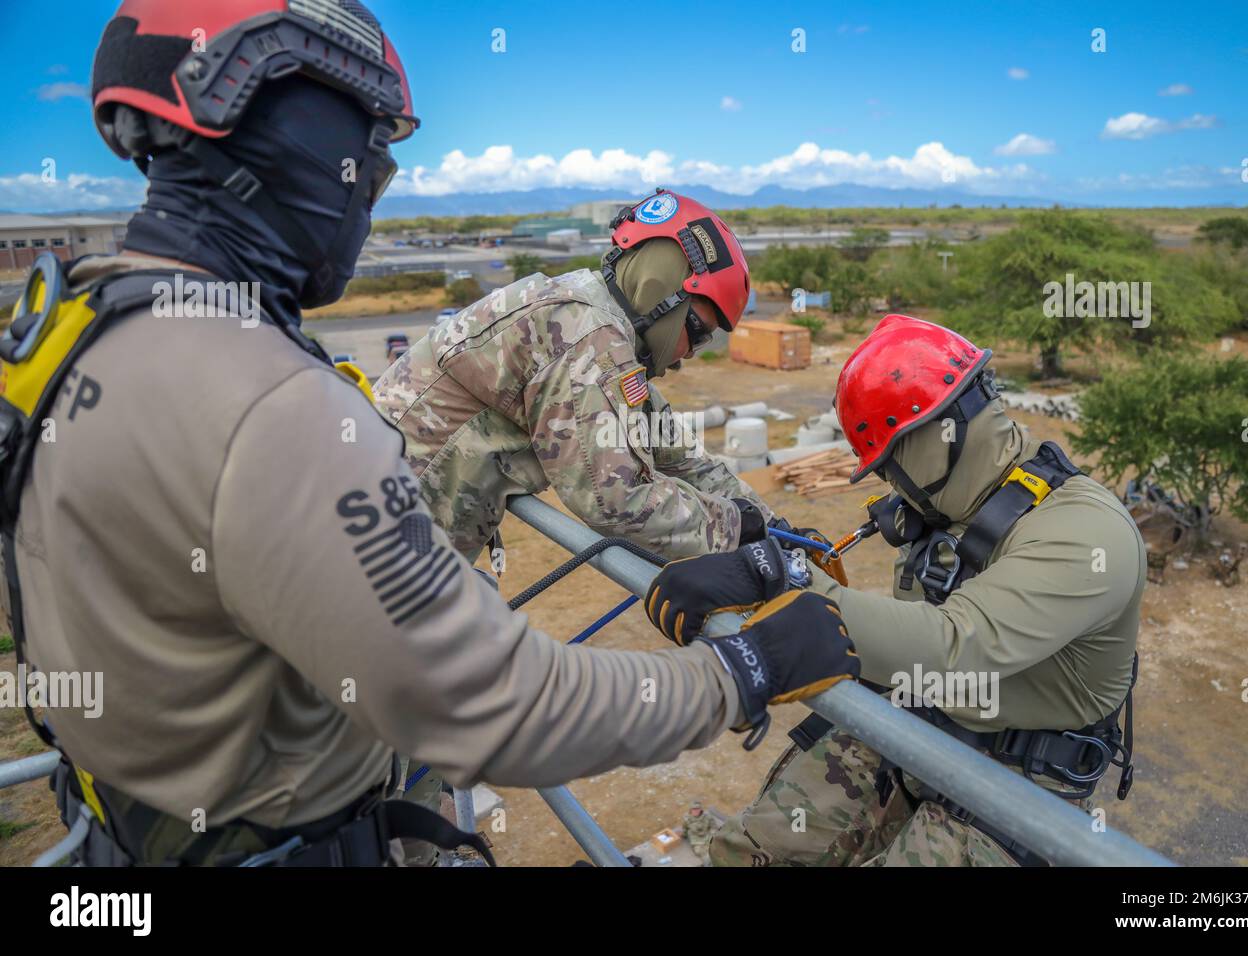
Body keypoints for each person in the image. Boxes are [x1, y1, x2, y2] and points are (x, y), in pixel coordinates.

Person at [0, 0, 859, 867]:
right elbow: (499, 705)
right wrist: (744, 670)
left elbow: (653, 437)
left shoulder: (73, 327)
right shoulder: (275, 408)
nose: (372, 194)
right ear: (297, 138)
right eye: (369, 162)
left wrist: (744, 513)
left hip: (115, 830)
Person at [640, 315, 1142, 866]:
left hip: (1021, 779)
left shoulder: (1085, 533)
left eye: (888, 466)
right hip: (917, 722)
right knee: (758, 852)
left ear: (929, 438)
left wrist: (782, 579)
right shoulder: (960, 510)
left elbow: (957, 646)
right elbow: (896, 644)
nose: (892, 487)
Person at [373, 189, 778, 568]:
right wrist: (736, 529)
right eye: (697, 330)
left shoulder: (597, 319)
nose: (691, 351)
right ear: (663, 293)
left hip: (396, 526)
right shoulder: (584, 334)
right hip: (382, 539)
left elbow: (678, 455)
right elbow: (619, 501)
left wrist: (775, 526)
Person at [682, 800, 718, 865]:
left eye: (697, 809)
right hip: (697, 840)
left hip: (708, 836)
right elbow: (685, 828)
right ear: (690, 809)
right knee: (703, 854)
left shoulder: (707, 816)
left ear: (700, 809)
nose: (695, 811)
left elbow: (714, 827)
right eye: (693, 809)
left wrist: (712, 835)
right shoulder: (687, 818)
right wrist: (683, 835)